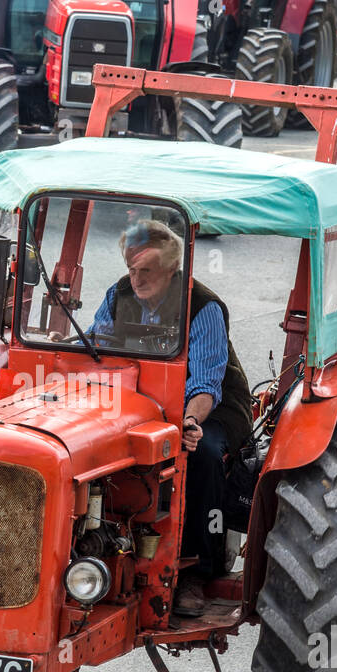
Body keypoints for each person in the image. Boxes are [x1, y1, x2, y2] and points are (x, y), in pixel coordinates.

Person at [89, 220, 253, 617]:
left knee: (203, 454)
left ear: (172, 272)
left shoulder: (203, 307)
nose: (136, 278)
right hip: (141, 404)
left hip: (207, 409)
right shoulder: (119, 295)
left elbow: (206, 382)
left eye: (146, 271)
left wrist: (190, 424)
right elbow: (94, 345)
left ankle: (197, 569)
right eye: (132, 268)